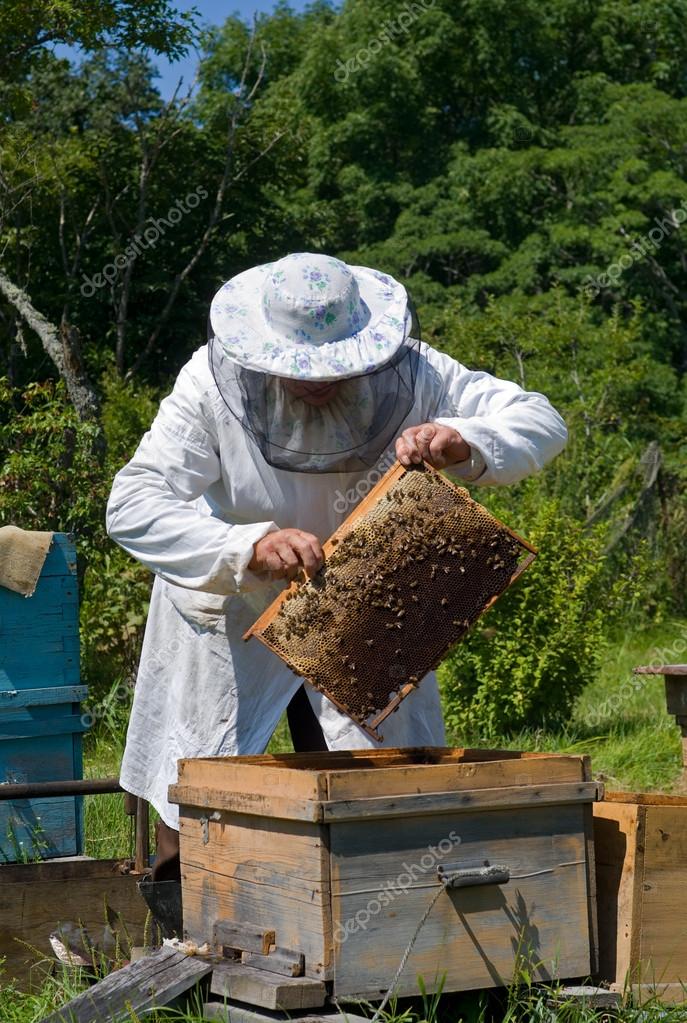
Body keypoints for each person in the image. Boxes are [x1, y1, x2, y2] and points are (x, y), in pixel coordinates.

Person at [106, 252, 567, 881]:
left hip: (368, 621)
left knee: (379, 820)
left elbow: (540, 418)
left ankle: (378, 966)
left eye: (337, 367)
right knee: (199, 818)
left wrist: (467, 439)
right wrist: (244, 549)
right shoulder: (208, 386)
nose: (317, 384)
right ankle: (188, 955)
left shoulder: (419, 374)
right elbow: (133, 504)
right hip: (234, 620)